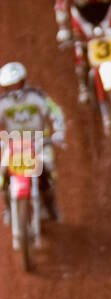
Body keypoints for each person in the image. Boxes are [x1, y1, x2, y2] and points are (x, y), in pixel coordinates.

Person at [0, 62, 65, 222]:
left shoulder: (36, 96)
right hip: (13, 143)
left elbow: (55, 111)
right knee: (2, 174)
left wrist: (59, 131)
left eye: (16, 85)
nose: (14, 90)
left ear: (23, 82)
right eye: (9, 86)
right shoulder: (2, 103)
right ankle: (8, 208)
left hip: (39, 140)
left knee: (47, 170)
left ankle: (51, 207)